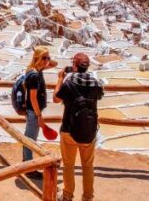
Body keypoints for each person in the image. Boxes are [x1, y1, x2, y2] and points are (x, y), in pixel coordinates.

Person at [54, 53, 104, 201]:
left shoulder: (69, 83)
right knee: (88, 166)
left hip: (69, 130)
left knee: (68, 165)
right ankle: (88, 197)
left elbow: (56, 98)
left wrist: (60, 78)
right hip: (89, 131)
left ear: (75, 65)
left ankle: (67, 196)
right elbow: (100, 96)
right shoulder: (96, 83)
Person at [14, 46, 57, 179]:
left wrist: (45, 57)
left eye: (47, 58)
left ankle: (27, 163)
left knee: (30, 138)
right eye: (44, 58)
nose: (47, 61)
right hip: (34, 112)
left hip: (33, 112)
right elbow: (32, 97)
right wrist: (39, 116)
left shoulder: (36, 70)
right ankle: (29, 168)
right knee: (30, 139)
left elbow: (55, 64)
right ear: (37, 58)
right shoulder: (34, 75)